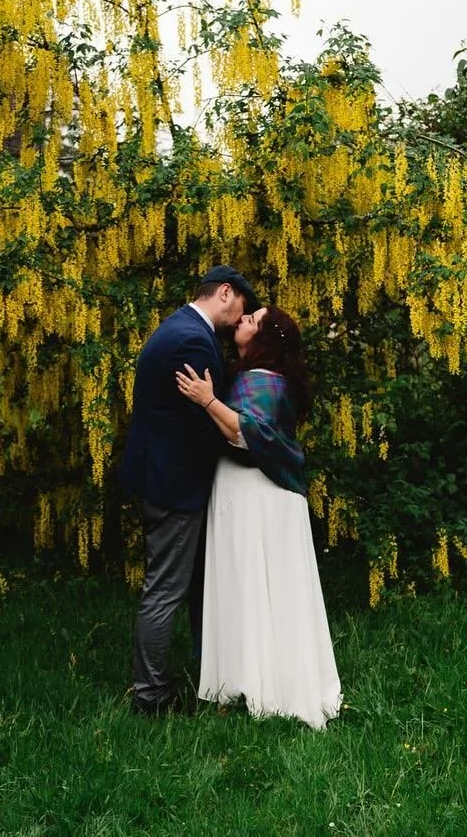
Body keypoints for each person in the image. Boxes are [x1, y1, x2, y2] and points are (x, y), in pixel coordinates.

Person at [175, 305, 342, 729]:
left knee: (250, 582)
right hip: (246, 494)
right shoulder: (261, 380)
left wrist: (206, 399)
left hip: (256, 495)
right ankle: (241, 682)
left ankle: (258, 685)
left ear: (266, 339)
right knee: (247, 585)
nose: (243, 320)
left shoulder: (265, 383)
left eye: (253, 320)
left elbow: (245, 435)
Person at [120, 265, 260, 716]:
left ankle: (208, 679)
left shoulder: (176, 327)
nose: (241, 319)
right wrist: (249, 447)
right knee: (165, 591)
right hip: (176, 483)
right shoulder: (194, 340)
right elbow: (204, 427)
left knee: (190, 587)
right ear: (225, 293)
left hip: (164, 476)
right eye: (241, 307)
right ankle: (151, 698)